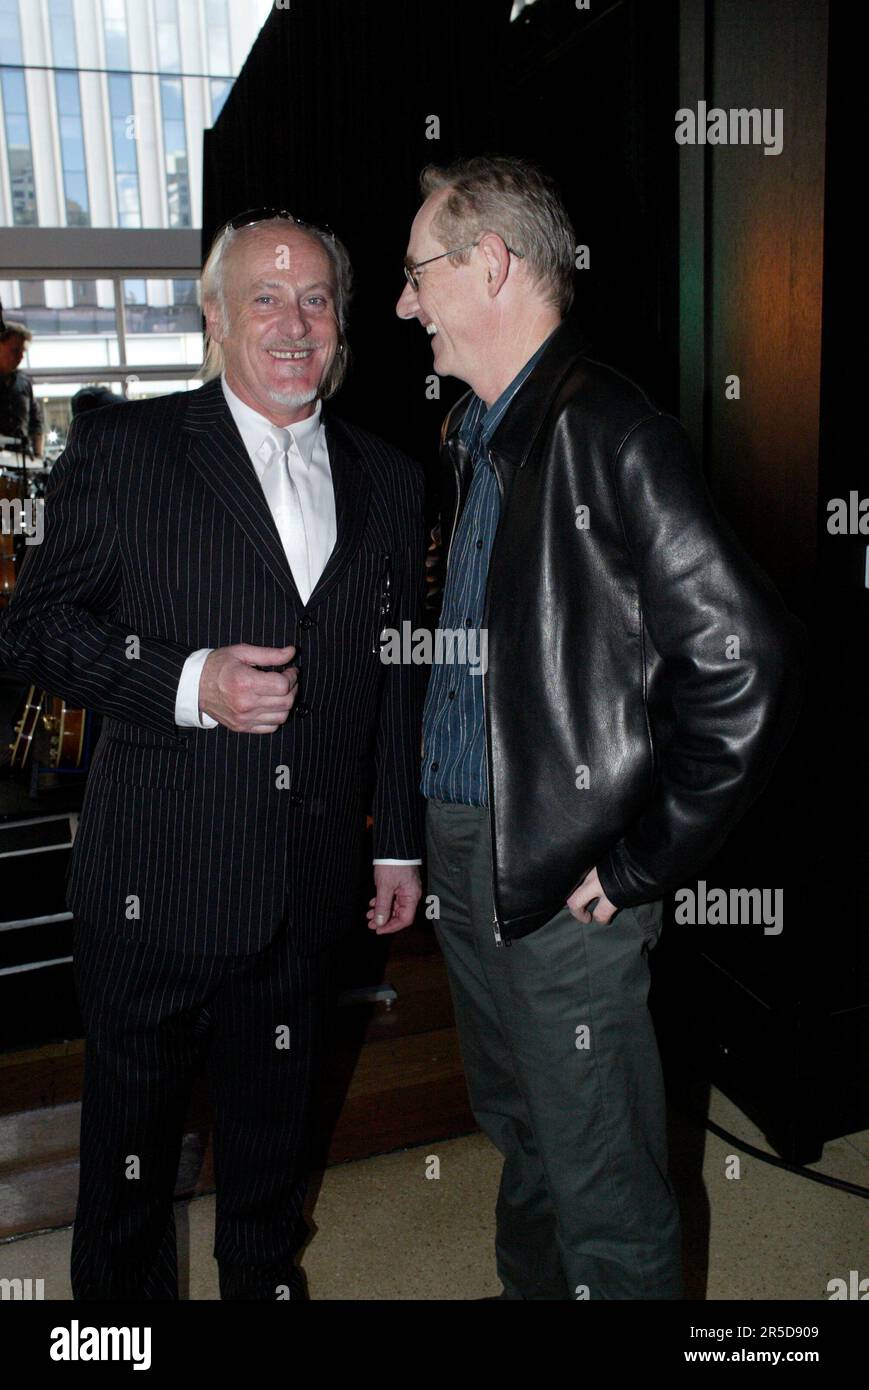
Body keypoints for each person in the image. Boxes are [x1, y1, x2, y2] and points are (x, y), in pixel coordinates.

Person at [395, 155, 806, 1300]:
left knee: (603, 1182)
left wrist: (634, 862)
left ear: (491, 265)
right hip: (473, 840)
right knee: (524, 1136)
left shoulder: (612, 429)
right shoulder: (475, 434)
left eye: (416, 271)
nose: (402, 301)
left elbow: (747, 663)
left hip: (562, 867)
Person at [0, 211, 425, 1300]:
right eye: (265, 298)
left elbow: (398, 673)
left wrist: (398, 847)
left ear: (340, 320)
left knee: (273, 1152)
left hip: (308, 894)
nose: (293, 322)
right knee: (131, 1178)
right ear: (214, 318)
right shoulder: (127, 451)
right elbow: (34, 627)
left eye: (316, 297)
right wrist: (188, 684)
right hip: (156, 883)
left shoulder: (387, 475)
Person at [0, 321, 43, 457]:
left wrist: (38, 457)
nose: (20, 357)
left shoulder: (24, 382)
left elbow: (36, 423)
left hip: (22, 459)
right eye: (15, 350)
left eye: (23, 352)